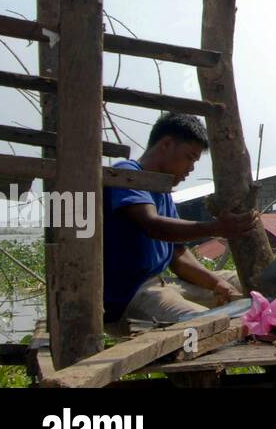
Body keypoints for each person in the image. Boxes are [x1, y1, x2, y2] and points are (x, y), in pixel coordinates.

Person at [103, 112, 258, 326]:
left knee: (246, 282)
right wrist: (216, 228)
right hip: (131, 295)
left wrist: (217, 283)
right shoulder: (127, 173)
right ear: (166, 144)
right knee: (207, 325)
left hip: (164, 284)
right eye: (190, 157)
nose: (191, 168)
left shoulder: (163, 191)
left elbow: (178, 255)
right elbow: (153, 226)